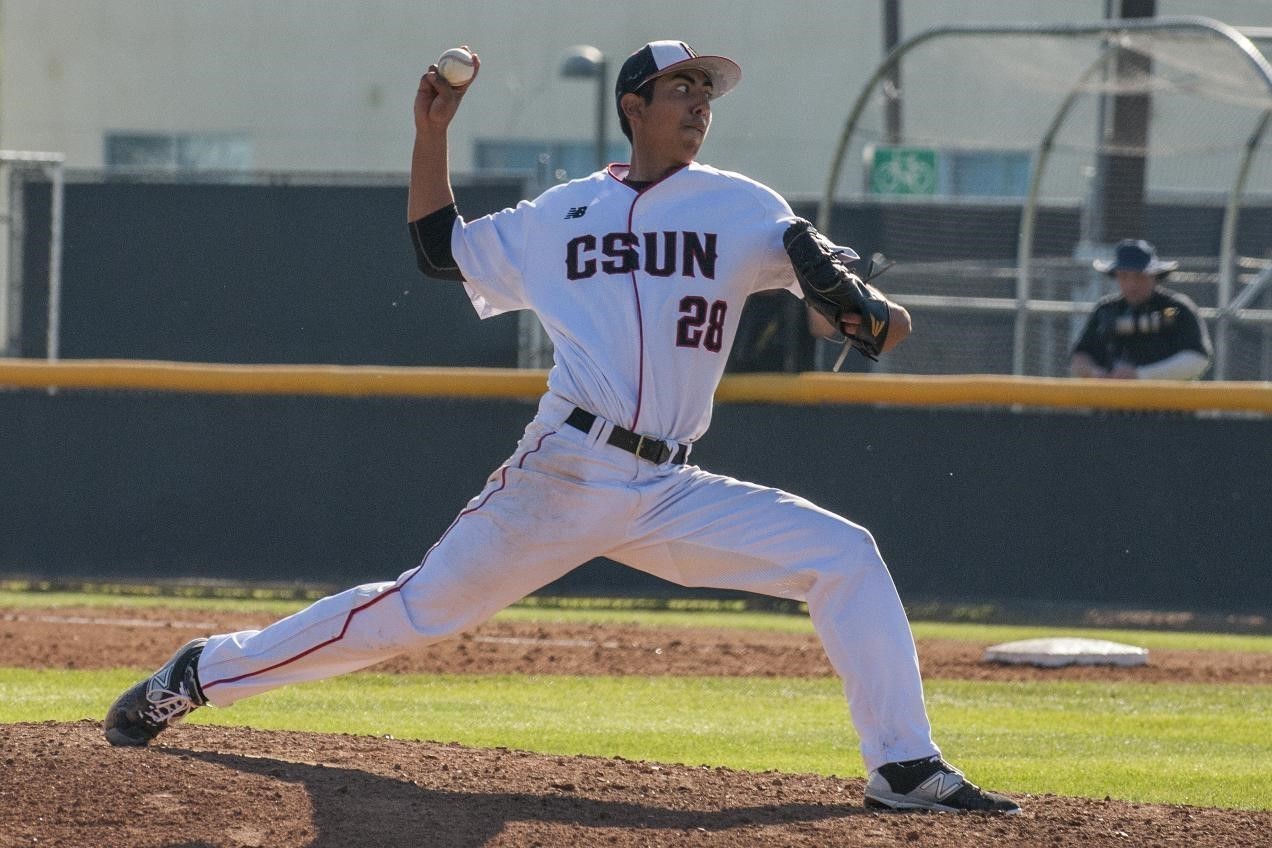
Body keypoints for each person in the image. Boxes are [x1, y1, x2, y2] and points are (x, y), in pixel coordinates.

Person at [105, 40, 1020, 815]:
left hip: (669, 487)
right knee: (417, 612)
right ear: (634, 105)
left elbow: (879, 327)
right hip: (566, 470)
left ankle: (902, 766)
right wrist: (431, 137)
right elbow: (439, 251)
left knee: (845, 555)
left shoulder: (747, 206)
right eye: (681, 88)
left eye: (708, 92)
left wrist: (853, 302)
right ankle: (202, 671)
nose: (700, 104)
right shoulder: (560, 213)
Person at [1070, 239, 1212, 380]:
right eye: (1124, 276)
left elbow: (1198, 360)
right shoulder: (1106, 309)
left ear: (1155, 275)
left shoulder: (1176, 308)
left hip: (1166, 400)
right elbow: (1080, 356)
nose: (1132, 284)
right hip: (1114, 400)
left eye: (1139, 276)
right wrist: (1094, 372)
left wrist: (1140, 375)